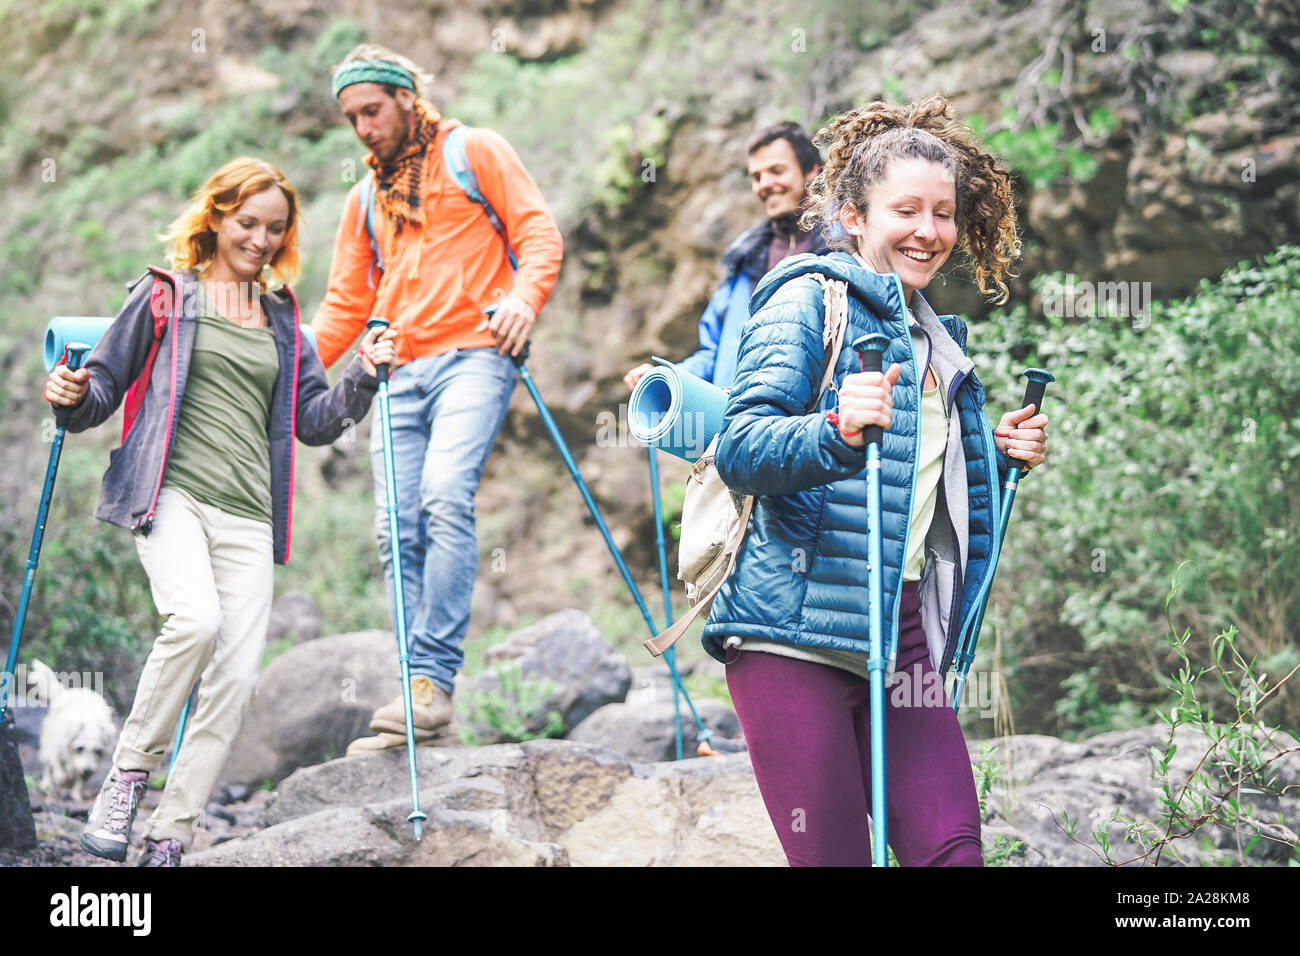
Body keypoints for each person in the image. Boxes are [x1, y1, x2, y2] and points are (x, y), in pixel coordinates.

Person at [701, 96, 1050, 867]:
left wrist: (994, 456)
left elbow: (911, 490)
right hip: (792, 636)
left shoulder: (940, 344)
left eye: (944, 213)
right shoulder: (804, 300)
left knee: (952, 850)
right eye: (907, 210)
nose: (929, 230)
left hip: (900, 642)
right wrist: (833, 431)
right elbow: (742, 445)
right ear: (854, 216)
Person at [43, 157, 396, 866]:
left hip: (250, 518)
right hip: (170, 495)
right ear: (215, 217)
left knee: (233, 679)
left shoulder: (281, 318)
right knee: (195, 621)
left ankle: (173, 831)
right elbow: (104, 387)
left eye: (275, 229)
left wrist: (363, 371)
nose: (261, 240)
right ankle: (128, 776)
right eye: (247, 223)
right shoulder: (165, 295)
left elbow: (316, 421)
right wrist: (70, 396)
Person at [309, 45, 563, 754]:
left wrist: (522, 298)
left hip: (476, 354)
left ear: (406, 97)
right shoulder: (365, 200)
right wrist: (270, 358)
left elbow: (537, 232)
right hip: (394, 369)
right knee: (395, 527)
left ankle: (430, 683)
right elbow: (342, 307)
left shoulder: (472, 150)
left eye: (373, 109)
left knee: (445, 494)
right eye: (351, 117)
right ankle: (417, 697)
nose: (362, 127)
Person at [624, 121, 830, 391]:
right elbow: (714, 353)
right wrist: (663, 377)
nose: (765, 184)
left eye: (776, 171)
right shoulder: (745, 256)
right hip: (741, 419)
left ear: (811, 172)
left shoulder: (843, 242)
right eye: (756, 177)